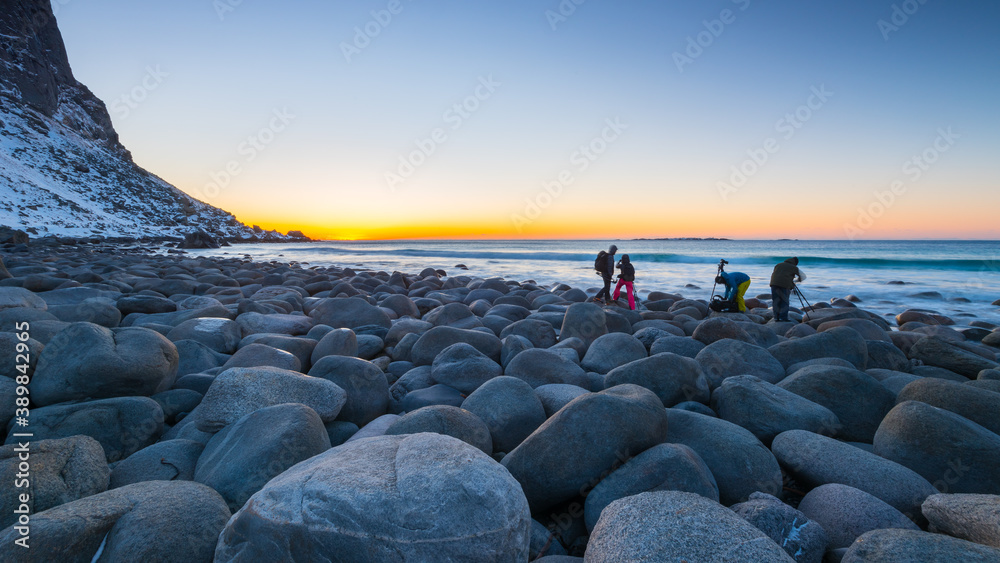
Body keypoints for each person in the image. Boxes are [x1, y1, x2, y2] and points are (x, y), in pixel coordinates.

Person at [770, 257, 806, 322]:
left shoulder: (778, 265)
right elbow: (803, 276)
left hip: (774, 284)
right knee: (784, 301)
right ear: (795, 263)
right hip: (784, 285)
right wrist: (797, 280)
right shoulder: (793, 267)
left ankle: (776, 317)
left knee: (776, 300)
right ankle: (783, 317)